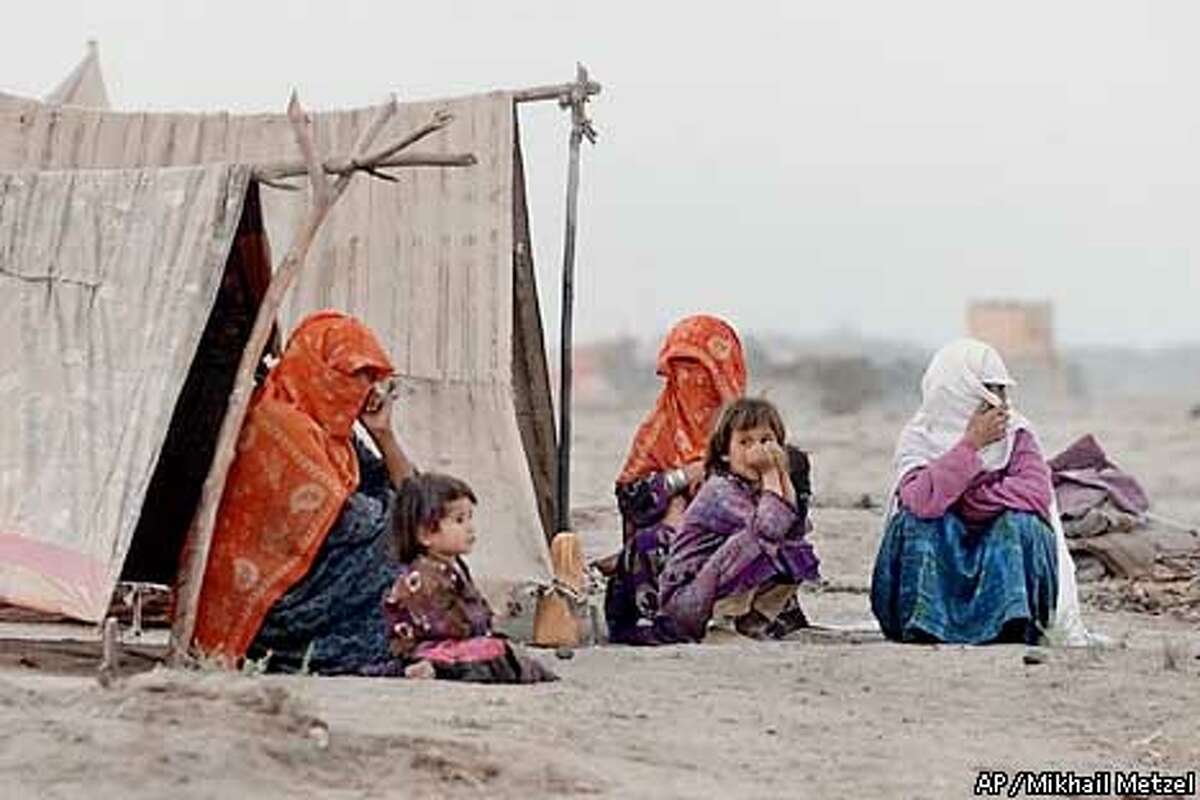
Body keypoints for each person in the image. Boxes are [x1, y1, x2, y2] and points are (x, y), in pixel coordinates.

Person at [193, 311, 415, 674]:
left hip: (315, 583)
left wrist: (384, 435)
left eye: (370, 378)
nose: (365, 389)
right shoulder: (278, 423)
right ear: (319, 368)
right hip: (273, 604)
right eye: (356, 375)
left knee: (424, 535)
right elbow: (350, 522)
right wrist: (407, 514)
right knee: (406, 545)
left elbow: (416, 496)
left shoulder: (333, 434)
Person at [869, 338, 1089, 645]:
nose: (1002, 403)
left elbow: (1035, 493)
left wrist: (964, 499)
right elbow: (920, 501)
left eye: (1003, 390)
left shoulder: (1016, 434)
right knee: (919, 523)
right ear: (956, 391)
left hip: (996, 548)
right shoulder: (920, 437)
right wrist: (970, 445)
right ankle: (925, 622)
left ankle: (1011, 623)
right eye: (991, 390)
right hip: (942, 552)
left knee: (1020, 523)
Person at [604, 315, 747, 644]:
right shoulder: (659, 430)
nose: (691, 380)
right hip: (668, 546)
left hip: (727, 540)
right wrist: (682, 478)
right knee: (651, 545)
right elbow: (630, 494)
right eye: (681, 368)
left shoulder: (746, 429)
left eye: (701, 370)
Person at [644, 397, 821, 643]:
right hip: (685, 603)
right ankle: (721, 624)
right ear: (725, 454)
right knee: (756, 542)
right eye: (744, 442)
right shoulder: (720, 490)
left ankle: (752, 621)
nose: (756, 450)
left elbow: (791, 528)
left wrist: (781, 472)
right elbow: (768, 528)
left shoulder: (756, 488)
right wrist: (770, 473)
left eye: (765, 441)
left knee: (795, 549)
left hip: (708, 588)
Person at [378, 472, 556, 683]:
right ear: (425, 534)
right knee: (491, 653)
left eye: (470, 518)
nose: (470, 528)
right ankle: (428, 669)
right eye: (459, 520)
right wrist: (483, 620)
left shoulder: (454, 566)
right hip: (427, 649)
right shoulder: (422, 577)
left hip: (455, 644)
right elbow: (446, 626)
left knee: (500, 650)